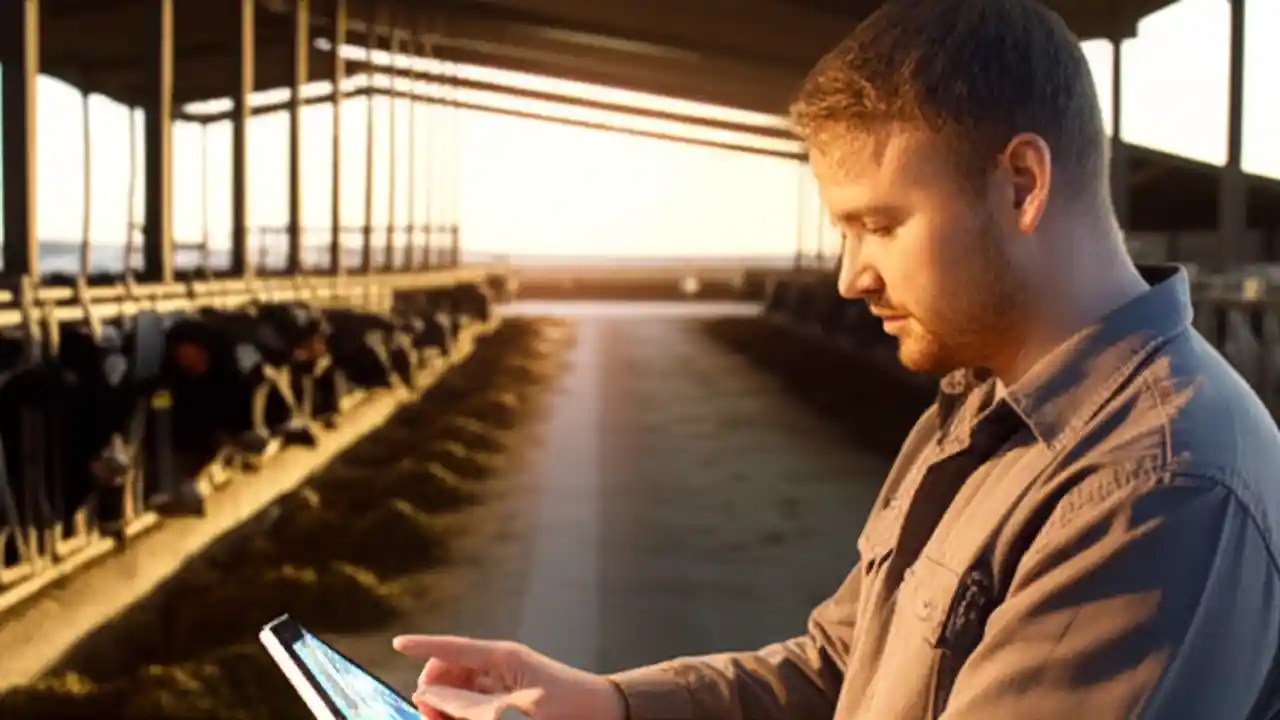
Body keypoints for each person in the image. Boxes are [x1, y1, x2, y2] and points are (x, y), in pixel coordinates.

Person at [393, 0, 1280, 717]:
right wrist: (606, 705)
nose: (851, 275)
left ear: (1021, 185)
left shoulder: (1155, 487)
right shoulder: (983, 409)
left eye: (879, 224)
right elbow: (837, 671)